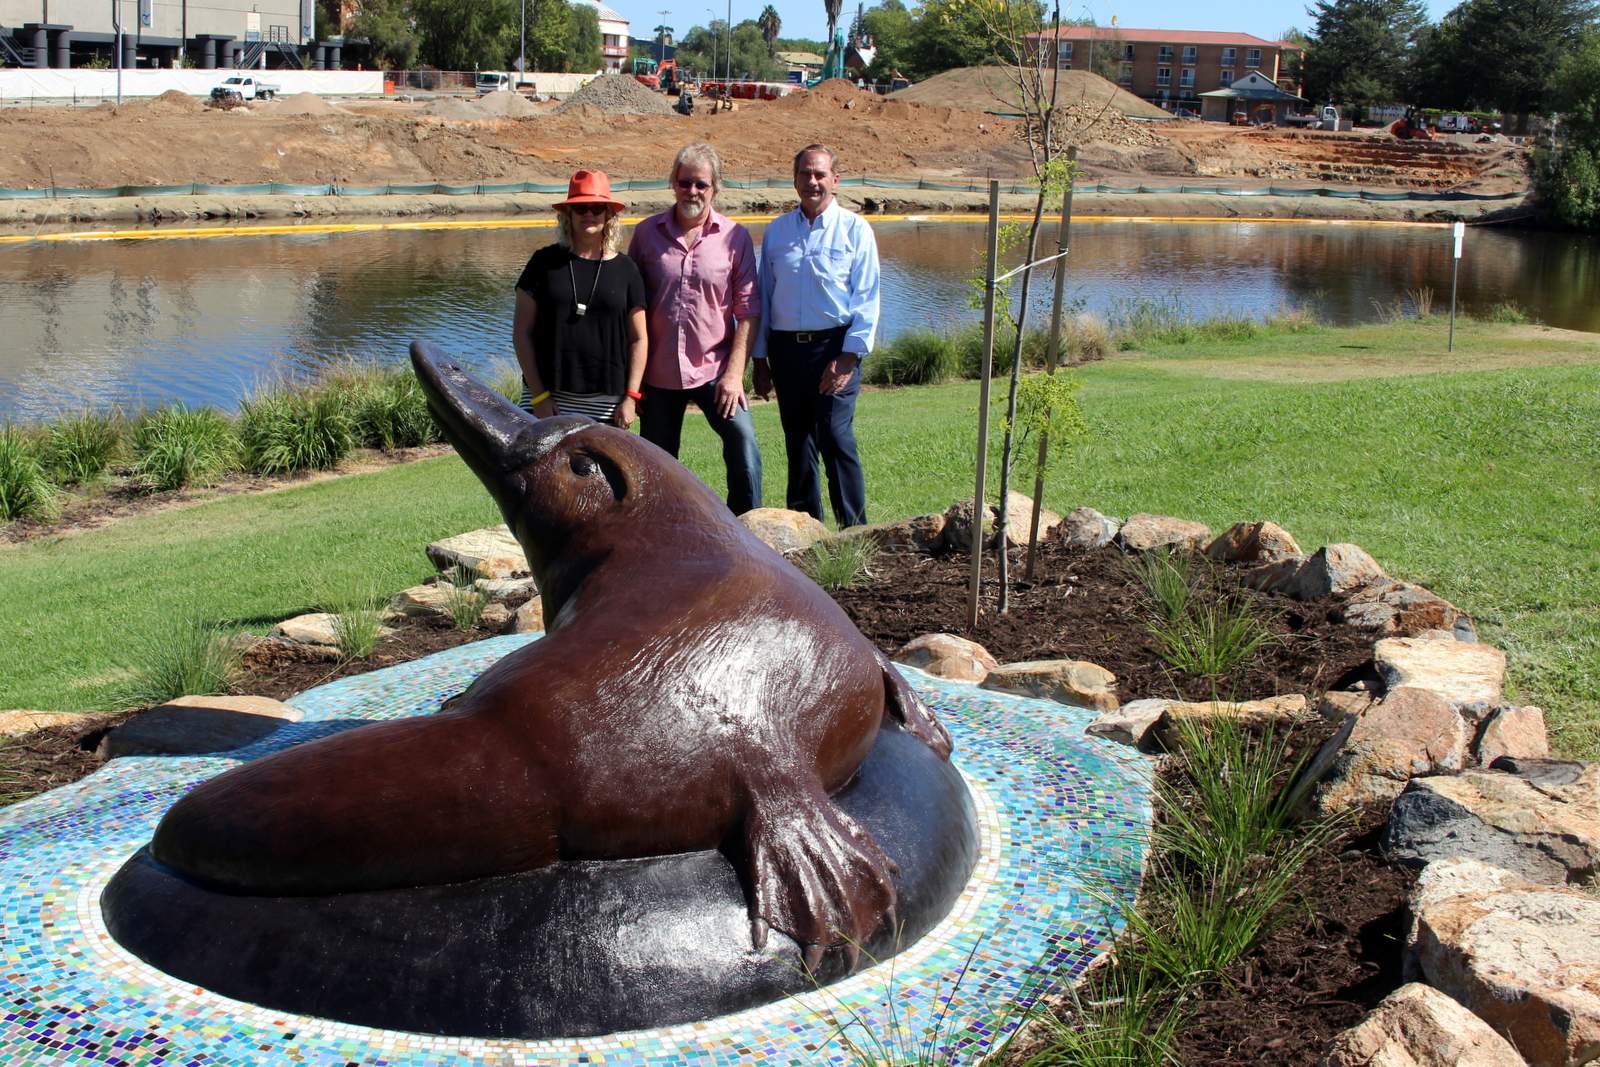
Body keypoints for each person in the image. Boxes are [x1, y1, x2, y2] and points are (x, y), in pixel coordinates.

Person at [626, 143, 762, 515]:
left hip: (716, 371)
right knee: (657, 469)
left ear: (715, 187)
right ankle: (661, 536)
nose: (693, 192)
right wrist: (632, 385)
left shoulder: (736, 238)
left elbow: (748, 312)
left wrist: (734, 375)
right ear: (673, 183)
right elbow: (629, 309)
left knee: (744, 445)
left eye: (701, 184)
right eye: (685, 182)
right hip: (659, 374)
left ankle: (749, 530)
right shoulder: (645, 235)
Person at [752, 144, 880, 528]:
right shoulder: (777, 232)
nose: (812, 181)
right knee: (799, 445)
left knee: (836, 438)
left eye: (820, 174)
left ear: (835, 181)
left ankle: (855, 530)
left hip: (834, 348)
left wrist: (849, 356)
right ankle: (806, 532)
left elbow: (868, 298)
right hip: (787, 351)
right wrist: (761, 361)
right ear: (794, 180)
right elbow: (765, 296)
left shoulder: (855, 230)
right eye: (805, 174)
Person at [512, 170, 647, 426]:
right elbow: (521, 333)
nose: (589, 214)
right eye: (580, 208)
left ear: (609, 214)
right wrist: (540, 396)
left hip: (607, 404)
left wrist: (631, 397)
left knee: (600, 468)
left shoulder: (627, 270)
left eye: (596, 208)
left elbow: (639, 339)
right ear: (568, 214)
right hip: (546, 400)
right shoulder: (542, 263)